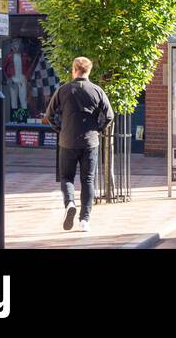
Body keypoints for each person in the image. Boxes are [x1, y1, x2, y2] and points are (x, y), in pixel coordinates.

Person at [43, 56, 113, 233]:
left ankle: (69, 203)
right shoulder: (97, 91)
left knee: (67, 177)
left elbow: (49, 114)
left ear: (74, 70)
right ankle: (84, 220)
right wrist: (97, 128)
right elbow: (110, 115)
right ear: (89, 71)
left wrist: (60, 129)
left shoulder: (63, 90)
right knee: (88, 180)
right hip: (90, 142)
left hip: (67, 141)